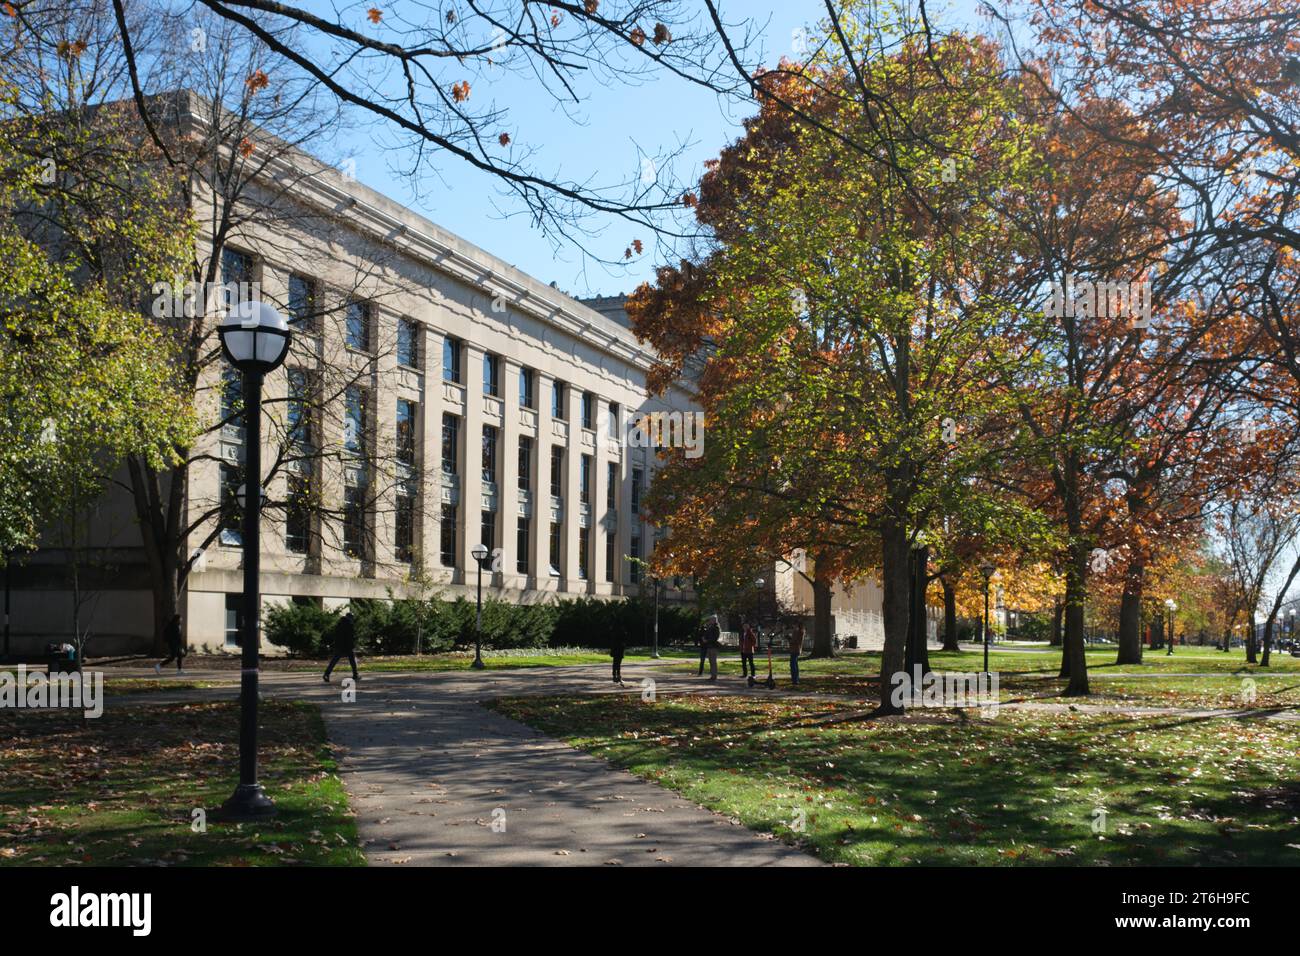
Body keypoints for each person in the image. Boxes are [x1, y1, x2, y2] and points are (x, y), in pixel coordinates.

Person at [323, 609, 359, 683]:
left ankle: (326, 674)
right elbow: (350, 637)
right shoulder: (350, 625)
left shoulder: (339, 624)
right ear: (350, 618)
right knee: (352, 660)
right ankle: (355, 674)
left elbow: (336, 635)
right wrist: (352, 645)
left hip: (339, 645)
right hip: (348, 646)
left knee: (334, 660)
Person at [703, 614, 721, 681]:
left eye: (711, 619)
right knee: (711, 662)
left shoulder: (716, 628)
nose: (710, 621)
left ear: (714, 620)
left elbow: (715, 638)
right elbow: (706, 635)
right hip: (709, 646)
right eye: (710, 620)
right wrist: (704, 638)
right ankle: (712, 675)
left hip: (713, 647)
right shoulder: (709, 627)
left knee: (713, 662)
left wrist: (707, 640)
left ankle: (714, 676)